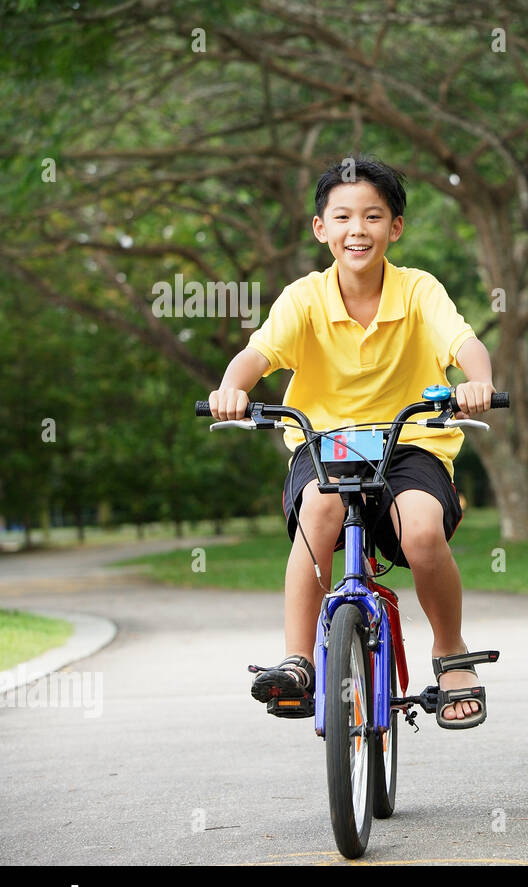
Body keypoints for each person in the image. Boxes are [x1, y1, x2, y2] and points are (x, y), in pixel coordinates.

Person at [207, 155, 497, 729]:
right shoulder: (303, 299)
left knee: (420, 526)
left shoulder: (418, 290)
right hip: (325, 444)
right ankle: (296, 661)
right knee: (319, 505)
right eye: (342, 217)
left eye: (372, 216)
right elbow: (256, 356)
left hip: (409, 442)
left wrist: (477, 382)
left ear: (395, 227)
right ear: (321, 229)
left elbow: (465, 343)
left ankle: (451, 652)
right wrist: (229, 389)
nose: (356, 230)